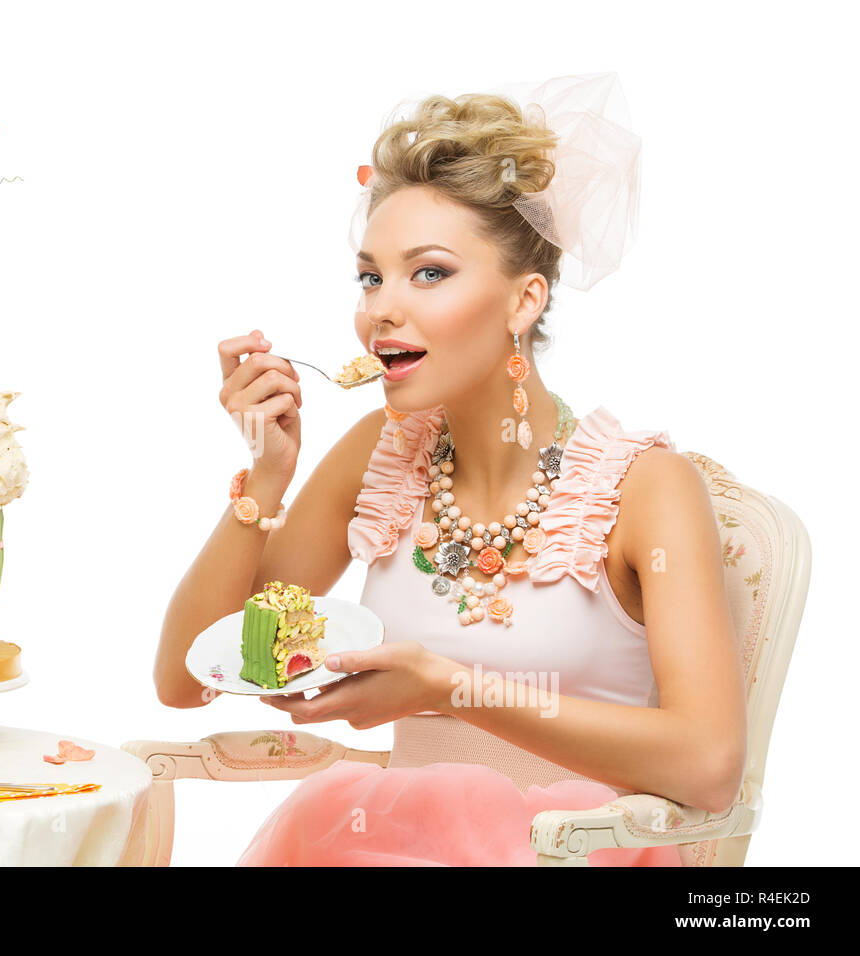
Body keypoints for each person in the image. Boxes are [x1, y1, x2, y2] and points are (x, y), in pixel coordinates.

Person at [151, 74, 746, 866]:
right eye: (371, 276)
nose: (380, 310)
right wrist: (265, 480)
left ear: (523, 301)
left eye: (428, 272)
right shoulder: (380, 452)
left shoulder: (645, 486)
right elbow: (187, 680)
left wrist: (449, 686)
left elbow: (709, 767)